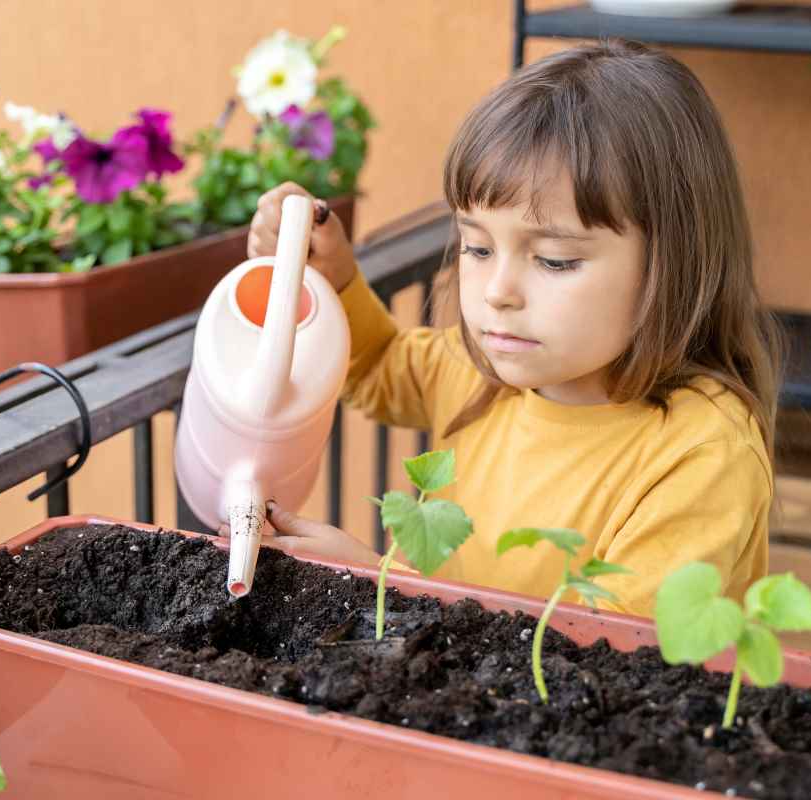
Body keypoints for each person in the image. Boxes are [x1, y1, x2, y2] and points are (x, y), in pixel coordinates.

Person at [244, 39, 781, 618]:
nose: (498, 291)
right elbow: (376, 365)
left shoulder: (700, 453)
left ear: (675, 262)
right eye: (477, 247)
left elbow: (610, 674)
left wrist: (379, 589)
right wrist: (334, 277)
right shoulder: (483, 369)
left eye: (554, 260)